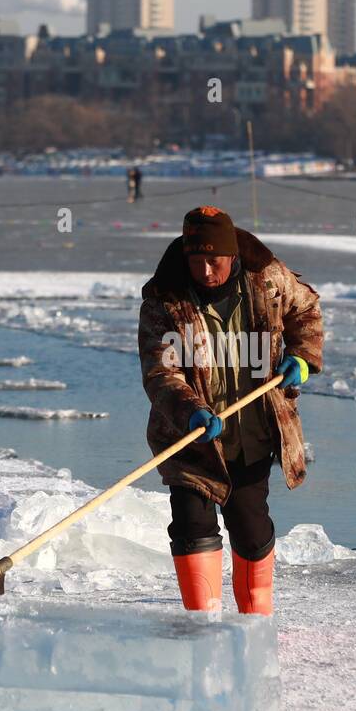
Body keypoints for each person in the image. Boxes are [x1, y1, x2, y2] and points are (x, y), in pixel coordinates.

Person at [138, 205, 323, 615]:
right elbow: (160, 374)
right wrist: (190, 411)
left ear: (233, 255)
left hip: (253, 433)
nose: (205, 272)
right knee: (192, 529)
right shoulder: (163, 300)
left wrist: (303, 358)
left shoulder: (267, 279)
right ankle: (202, 628)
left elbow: (306, 309)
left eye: (214, 261)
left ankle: (254, 626)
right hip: (189, 439)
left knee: (251, 531)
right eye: (196, 261)